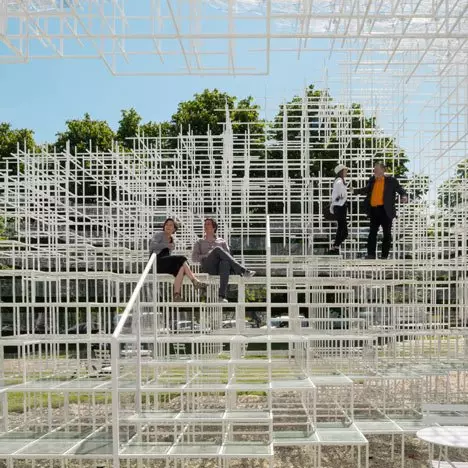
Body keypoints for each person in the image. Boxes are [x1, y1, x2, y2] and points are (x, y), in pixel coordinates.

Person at [192, 218, 255, 303]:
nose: (205, 226)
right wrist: (208, 255)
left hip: (221, 269)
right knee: (217, 249)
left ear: (214, 227)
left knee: (225, 262)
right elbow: (194, 258)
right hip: (207, 267)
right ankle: (242, 270)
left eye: (208, 224)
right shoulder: (199, 242)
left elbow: (228, 256)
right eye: (205, 224)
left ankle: (221, 296)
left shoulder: (222, 241)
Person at [354, 162, 408, 259]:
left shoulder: (391, 181)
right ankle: (371, 254)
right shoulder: (372, 180)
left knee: (387, 234)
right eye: (374, 169)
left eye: (377, 169)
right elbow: (366, 189)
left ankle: (384, 256)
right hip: (374, 210)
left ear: (383, 170)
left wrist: (404, 196)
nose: (375, 170)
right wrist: (355, 191)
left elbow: (400, 189)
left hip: (385, 210)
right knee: (372, 233)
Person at [149, 218, 206, 301]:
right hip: (157, 261)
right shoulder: (159, 234)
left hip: (165, 263)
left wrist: (168, 246)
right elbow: (152, 246)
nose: (168, 226)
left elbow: (168, 255)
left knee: (181, 268)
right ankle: (194, 280)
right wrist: (166, 245)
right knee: (181, 258)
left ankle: (176, 295)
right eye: (167, 224)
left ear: (174, 229)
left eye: (171, 225)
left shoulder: (172, 241)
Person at [328, 164, 349, 255]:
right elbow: (342, 195)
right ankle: (335, 247)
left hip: (339, 207)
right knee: (343, 231)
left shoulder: (339, 181)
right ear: (341, 171)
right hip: (340, 206)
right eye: (345, 170)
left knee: (341, 228)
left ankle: (335, 247)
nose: (346, 172)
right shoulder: (340, 181)